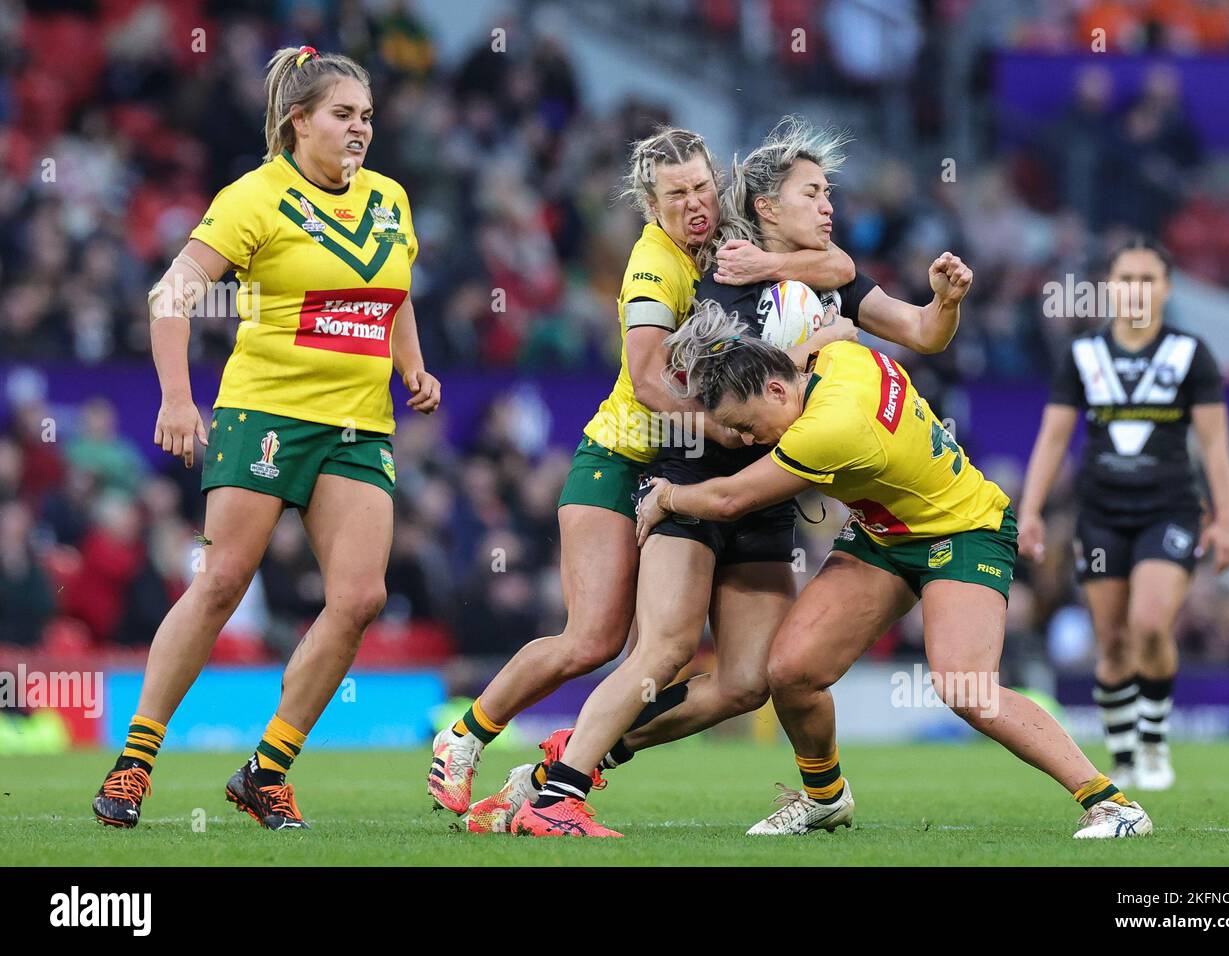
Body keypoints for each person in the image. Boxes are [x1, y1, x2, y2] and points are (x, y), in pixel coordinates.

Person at [508, 119, 975, 837]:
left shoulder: (817, 276)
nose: (828, 206)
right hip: (691, 483)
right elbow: (730, 387)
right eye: (812, 193)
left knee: (747, 681)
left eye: (829, 194)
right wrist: (820, 342)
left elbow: (912, 326)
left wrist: (945, 303)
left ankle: (570, 761)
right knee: (662, 650)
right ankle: (554, 795)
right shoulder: (725, 271)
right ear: (764, 208)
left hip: (764, 500)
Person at [427, 127, 856, 819]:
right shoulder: (654, 262)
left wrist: (779, 274)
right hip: (623, 457)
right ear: (648, 205)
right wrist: (730, 428)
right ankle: (467, 734)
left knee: (740, 679)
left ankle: (578, 758)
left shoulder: (732, 235)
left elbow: (837, 268)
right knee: (594, 638)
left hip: (695, 466)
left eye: (701, 188)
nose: (694, 206)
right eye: (675, 195)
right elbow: (650, 377)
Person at [608, 320, 1154, 840]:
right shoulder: (838, 361)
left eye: (748, 426)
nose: (748, 439)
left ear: (776, 391)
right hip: (884, 532)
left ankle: (1111, 803)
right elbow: (834, 336)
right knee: (791, 671)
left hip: (964, 530)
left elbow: (730, 498)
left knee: (966, 687)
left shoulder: (829, 429)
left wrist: (667, 496)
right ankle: (824, 796)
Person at [92, 45, 439, 830]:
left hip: (357, 425)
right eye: (344, 116)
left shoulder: (389, 198)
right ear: (298, 122)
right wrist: (178, 400)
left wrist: (411, 366)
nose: (362, 131)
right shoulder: (254, 197)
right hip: (266, 416)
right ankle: (136, 759)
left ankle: (266, 768)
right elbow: (172, 294)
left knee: (359, 600)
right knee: (220, 584)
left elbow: (395, 292)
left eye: (368, 117)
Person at [1018, 237, 1229, 791]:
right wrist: (1032, 511)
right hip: (1100, 514)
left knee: (1148, 625)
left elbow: (1214, 445)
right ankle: (1121, 757)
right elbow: (1053, 439)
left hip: (1169, 510)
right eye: (1126, 280)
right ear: (1109, 289)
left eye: (1148, 280)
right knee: (1112, 640)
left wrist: (1227, 518)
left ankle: (1154, 743)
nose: (1136, 291)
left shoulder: (1191, 354)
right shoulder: (1083, 355)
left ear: (1165, 288)